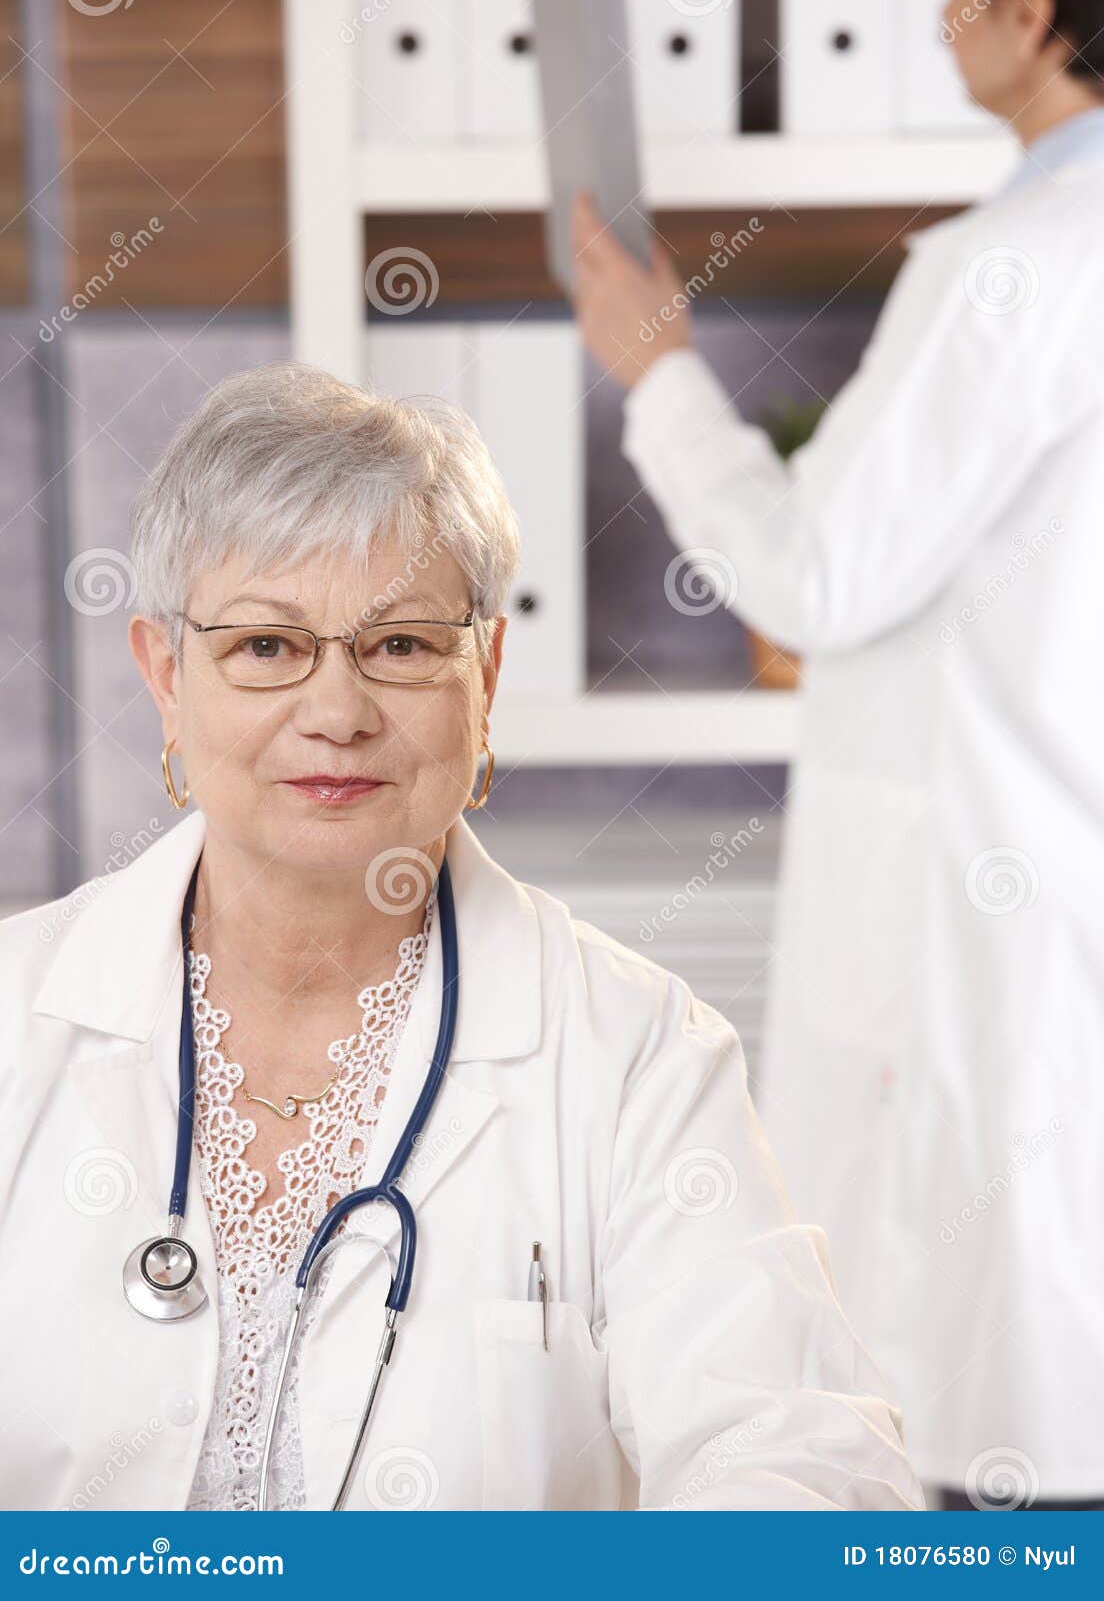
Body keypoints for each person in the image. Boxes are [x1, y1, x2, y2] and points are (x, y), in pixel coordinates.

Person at [0, 363, 922, 1512]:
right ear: (164, 677)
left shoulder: (635, 1055)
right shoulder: (14, 1023)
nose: (335, 713)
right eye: (267, 648)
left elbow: (810, 1472)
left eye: (399, 646)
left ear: (484, 675)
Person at [570, 0, 1104, 1511]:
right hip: (1047, 858)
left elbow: (815, 574)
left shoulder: (1021, 264)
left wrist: (659, 370)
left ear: (1031, 14)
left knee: (970, 1388)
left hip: (991, 891)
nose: (943, 27)